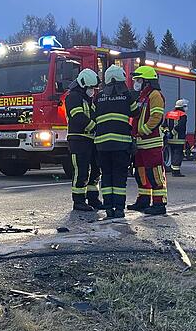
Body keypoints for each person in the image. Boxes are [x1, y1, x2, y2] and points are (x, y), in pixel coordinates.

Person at [94, 65, 138, 219]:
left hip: (102, 145)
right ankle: (119, 209)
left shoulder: (98, 97)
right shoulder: (127, 95)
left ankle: (108, 208)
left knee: (106, 176)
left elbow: (93, 115)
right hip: (121, 144)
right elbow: (136, 112)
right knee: (119, 177)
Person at [127, 66, 167, 216]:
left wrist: (142, 130)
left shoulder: (155, 95)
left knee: (155, 173)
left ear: (147, 81)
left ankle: (159, 203)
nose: (136, 82)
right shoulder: (141, 96)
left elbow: (156, 117)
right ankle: (143, 200)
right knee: (141, 173)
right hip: (140, 143)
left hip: (151, 143)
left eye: (138, 80)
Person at [65, 68, 103, 212]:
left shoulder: (88, 99)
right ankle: (79, 201)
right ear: (82, 84)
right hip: (78, 140)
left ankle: (93, 199)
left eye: (94, 88)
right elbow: (78, 117)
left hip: (91, 140)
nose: (92, 90)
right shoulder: (73, 97)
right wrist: (96, 127)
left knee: (95, 171)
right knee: (81, 171)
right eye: (90, 88)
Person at [164, 99, 189, 177]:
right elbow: (181, 126)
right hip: (179, 139)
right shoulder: (183, 115)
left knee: (172, 154)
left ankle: (173, 169)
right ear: (182, 107)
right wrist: (173, 133)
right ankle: (176, 172)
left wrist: (168, 133)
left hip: (170, 139)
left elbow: (164, 125)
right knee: (178, 155)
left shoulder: (168, 114)